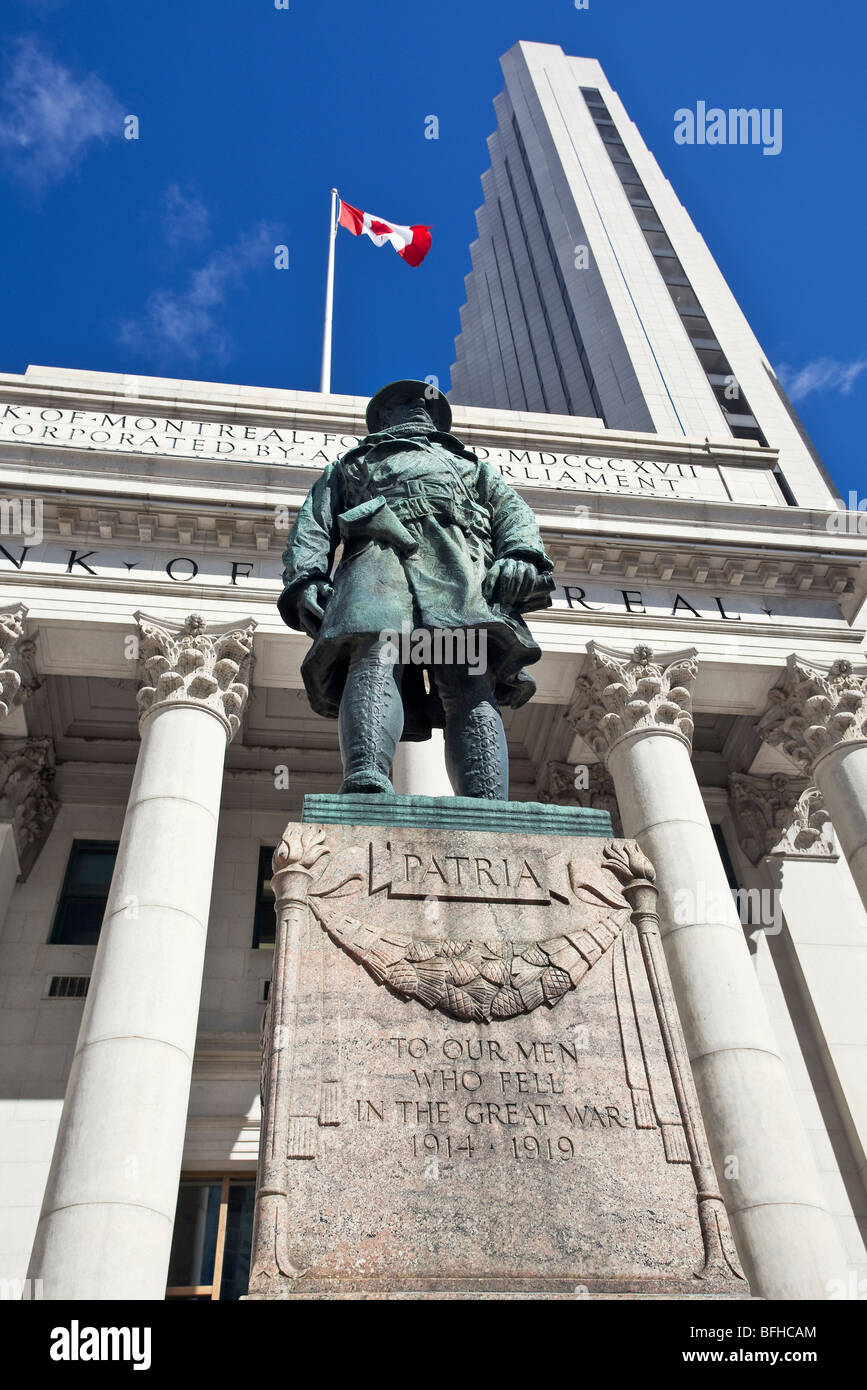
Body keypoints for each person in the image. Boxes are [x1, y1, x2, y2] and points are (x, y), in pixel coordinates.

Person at [277, 380, 554, 798]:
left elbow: (514, 515)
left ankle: (486, 802)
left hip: (459, 567)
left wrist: (521, 555)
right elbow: (314, 525)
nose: (419, 406)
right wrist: (307, 577)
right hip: (377, 560)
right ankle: (367, 775)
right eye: (403, 401)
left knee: (466, 671)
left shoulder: (473, 467)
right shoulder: (350, 465)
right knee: (375, 653)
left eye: (426, 403)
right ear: (383, 418)